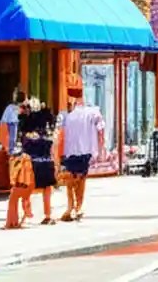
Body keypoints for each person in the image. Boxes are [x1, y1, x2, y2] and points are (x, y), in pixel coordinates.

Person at [60, 75, 104, 222]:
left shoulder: (67, 116)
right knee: (81, 179)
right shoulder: (91, 113)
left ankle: (72, 206)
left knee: (70, 181)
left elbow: (58, 135)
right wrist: (100, 148)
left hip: (71, 151)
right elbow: (101, 129)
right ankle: (78, 207)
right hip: (85, 150)